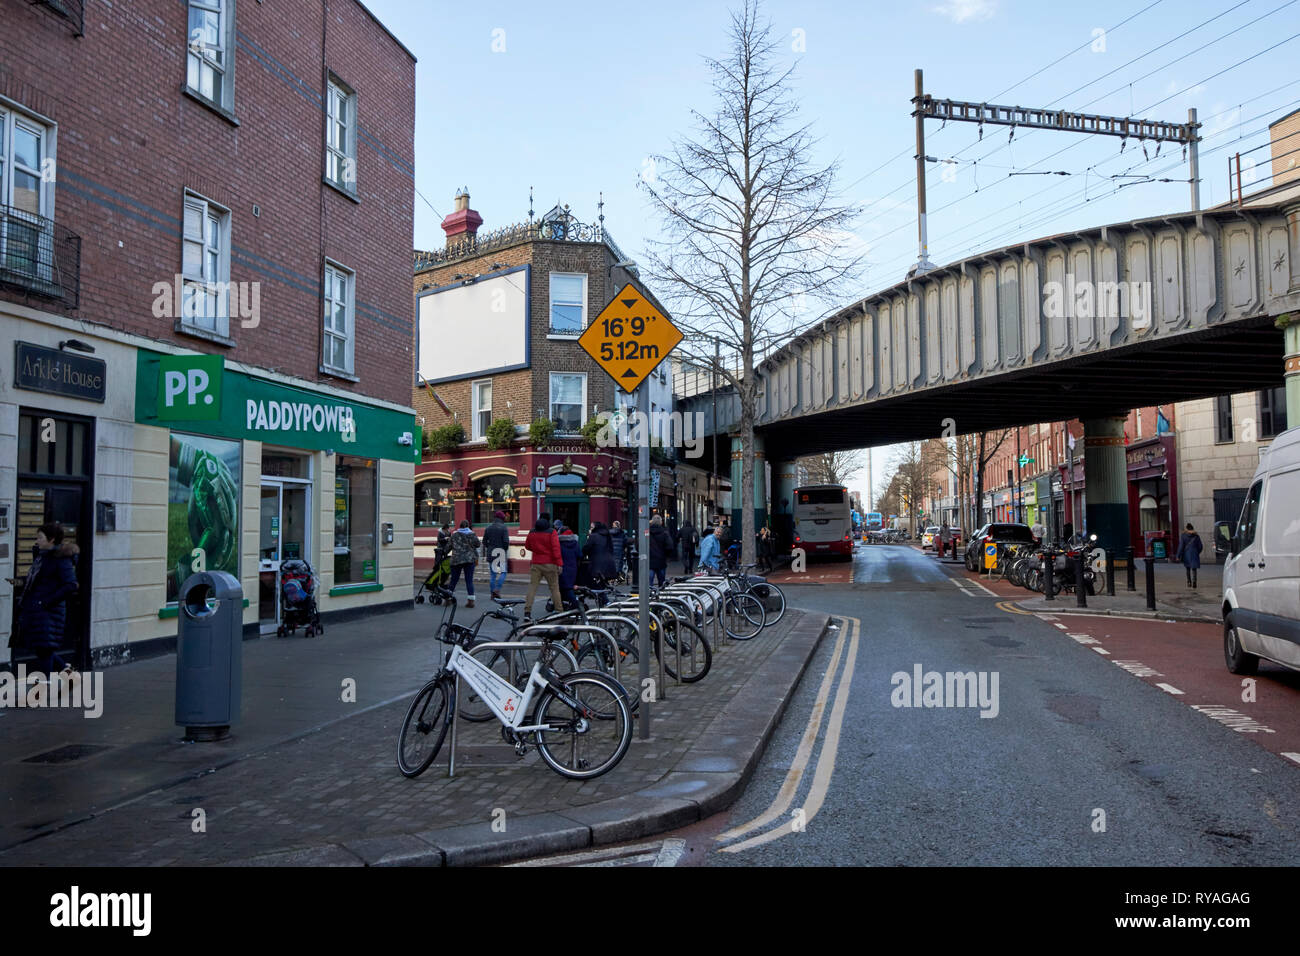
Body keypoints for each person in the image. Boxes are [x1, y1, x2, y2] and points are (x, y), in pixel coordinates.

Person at [9, 523, 79, 677]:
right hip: (36, 610)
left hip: (49, 612)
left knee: (45, 649)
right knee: (42, 649)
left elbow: (71, 585)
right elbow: (38, 581)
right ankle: (70, 675)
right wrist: (19, 582)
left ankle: (43, 689)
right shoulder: (42, 556)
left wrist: (46, 602)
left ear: (51, 540)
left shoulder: (60, 559)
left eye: (40, 537)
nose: (37, 541)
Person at [523, 518, 563, 621]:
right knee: (554, 588)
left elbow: (527, 546)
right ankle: (559, 610)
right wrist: (559, 563)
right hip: (550, 563)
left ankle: (527, 612)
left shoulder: (532, 532)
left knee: (532, 587)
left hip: (536, 563)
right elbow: (556, 548)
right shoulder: (552, 532)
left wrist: (537, 550)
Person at [447, 519, 480, 608]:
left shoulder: (454, 535)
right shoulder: (472, 534)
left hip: (456, 560)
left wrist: (444, 552)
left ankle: (448, 599)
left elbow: (448, 547)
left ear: (460, 526)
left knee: (454, 580)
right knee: (469, 580)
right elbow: (478, 544)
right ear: (468, 526)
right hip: (469, 560)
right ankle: (471, 601)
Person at [482, 510, 511, 599]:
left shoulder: (488, 528)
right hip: (500, 551)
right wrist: (504, 549)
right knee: (503, 572)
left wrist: (490, 547)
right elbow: (506, 542)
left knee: (493, 574)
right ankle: (497, 590)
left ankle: (492, 593)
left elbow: (484, 541)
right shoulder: (503, 528)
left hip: (491, 551)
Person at [555, 521, 581, 609]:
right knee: (568, 587)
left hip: (562, 567)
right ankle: (563, 603)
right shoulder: (575, 543)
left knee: (565, 588)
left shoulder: (559, 543)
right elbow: (579, 555)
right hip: (573, 568)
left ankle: (575, 604)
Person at [583, 521, 617, 585]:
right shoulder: (607, 535)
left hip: (598, 564)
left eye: (591, 527)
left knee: (596, 585)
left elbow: (586, 548)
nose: (590, 529)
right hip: (609, 564)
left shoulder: (593, 536)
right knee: (603, 585)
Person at [1175, 522, 1203, 589]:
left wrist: (1178, 555)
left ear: (1187, 529)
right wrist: (1197, 552)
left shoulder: (1183, 536)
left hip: (1186, 554)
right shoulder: (1196, 536)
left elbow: (1181, 546)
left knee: (1187, 569)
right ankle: (1194, 582)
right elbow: (1200, 546)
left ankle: (1189, 582)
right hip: (1194, 554)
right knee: (1194, 569)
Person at [647, 514, 673, 588]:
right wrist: (666, 555)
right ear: (661, 522)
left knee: (650, 580)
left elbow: (639, 545)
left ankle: (649, 595)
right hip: (661, 559)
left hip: (650, 559)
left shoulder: (647, 532)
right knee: (661, 581)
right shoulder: (664, 533)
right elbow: (670, 546)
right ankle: (661, 595)